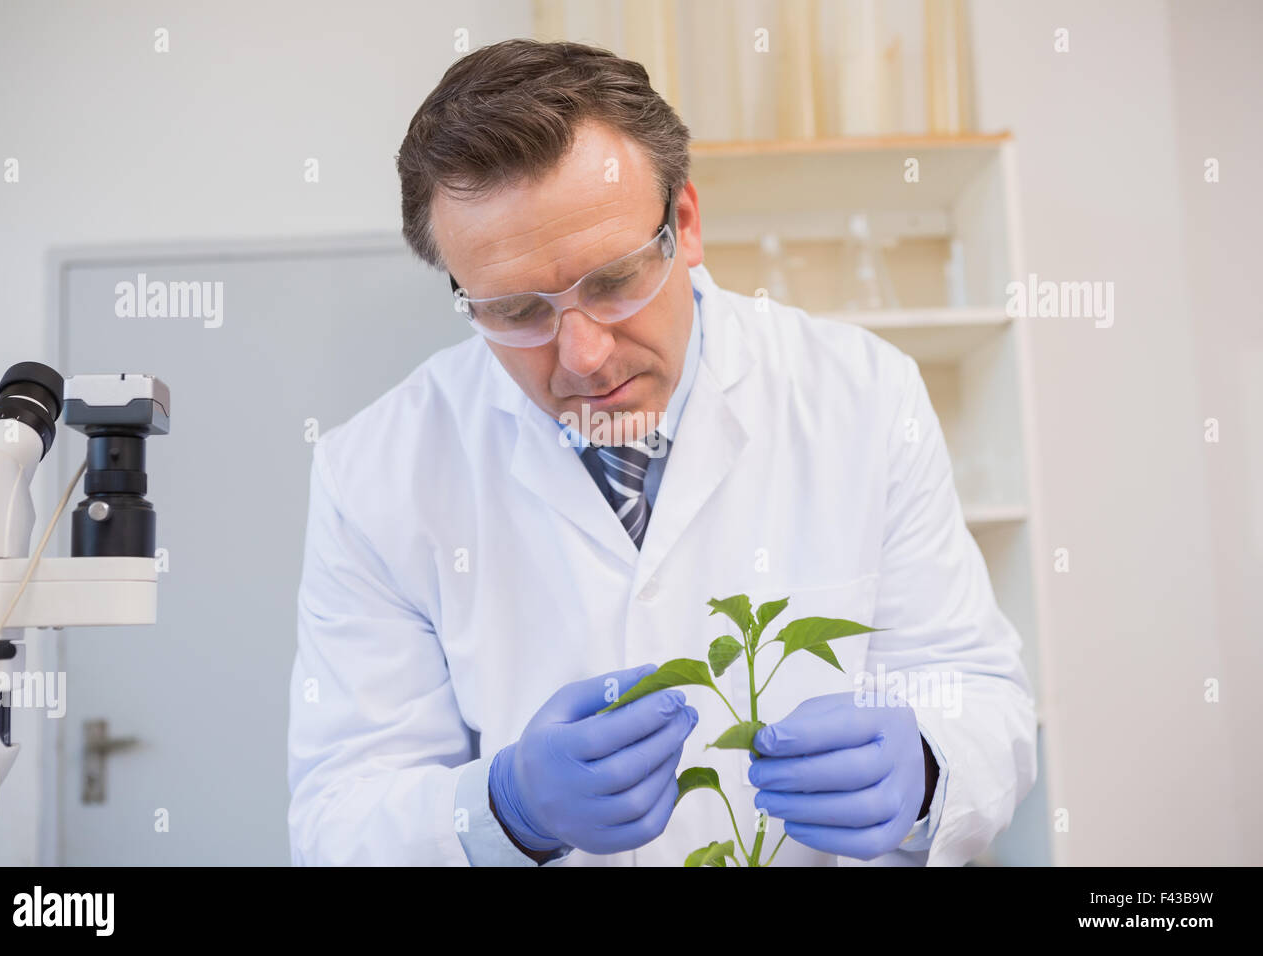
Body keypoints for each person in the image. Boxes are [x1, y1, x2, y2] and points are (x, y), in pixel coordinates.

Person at [286, 38, 1037, 867]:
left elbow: (979, 694)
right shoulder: (374, 474)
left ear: (684, 223)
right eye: (516, 310)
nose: (583, 355)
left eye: (611, 282)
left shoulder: (860, 395)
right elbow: (336, 819)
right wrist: (502, 808)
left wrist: (930, 770)